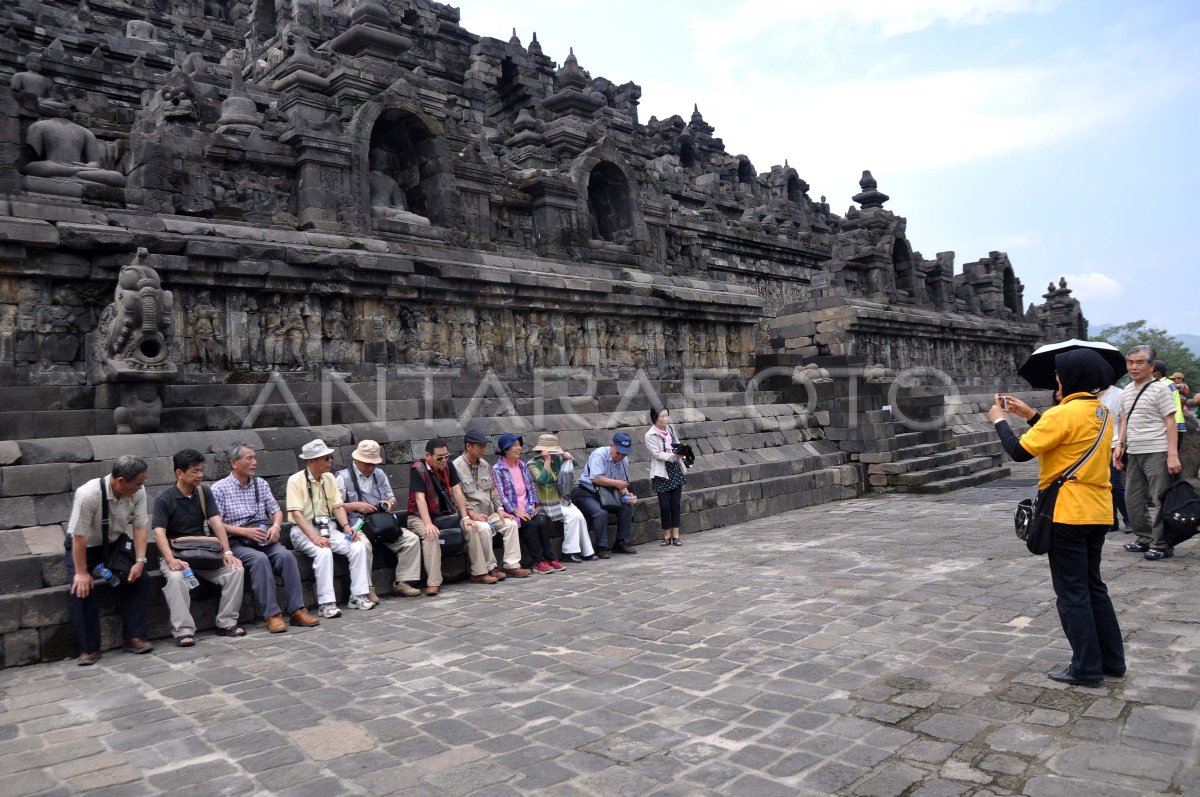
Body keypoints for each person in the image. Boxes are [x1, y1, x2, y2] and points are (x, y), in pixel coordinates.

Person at [990, 349, 1124, 686]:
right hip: (1097, 510)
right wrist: (1031, 414)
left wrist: (999, 420)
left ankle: (1086, 668)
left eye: (1059, 375)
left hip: (1067, 512)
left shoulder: (1061, 413)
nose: (1057, 380)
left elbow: (1019, 451)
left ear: (1072, 378)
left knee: (1072, 592)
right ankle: (1112, 661)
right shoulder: (1101, 412)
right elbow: (1068, 440)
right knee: (1094, 587)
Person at [212, 442, 319, 633]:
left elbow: (276, 511)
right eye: (249, 458)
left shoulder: (260, 484)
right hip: (236, 541)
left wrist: (276, 526)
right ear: (234, 463)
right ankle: (273, 615)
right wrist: (244, 532)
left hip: (262, 537)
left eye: (255, 458)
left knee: (286, 556)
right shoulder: (219, 489)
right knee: (259, 560)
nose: (254, 462)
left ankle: (297, 610)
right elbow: (216, 524)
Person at [64, 456, 154, 665]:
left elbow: (140, 526)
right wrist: (81, 572)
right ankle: (89, 648)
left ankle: (133, 637)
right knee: (81, 589)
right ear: (121, 481)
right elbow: (79, 536)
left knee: (140, 578)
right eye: (138, 483)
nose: (141, 487)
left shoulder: (138, 492)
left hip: (115, 544)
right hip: (84, 546)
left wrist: (140, 560)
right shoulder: (88, 494)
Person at [152, 449, 246, 647]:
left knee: (235, 570)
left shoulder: (204, 492)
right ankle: (183, 631)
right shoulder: (164, 498)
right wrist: (170, 559)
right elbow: (159, 532)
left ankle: (226, 622)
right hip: (176, 555)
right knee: (176, 579)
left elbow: (216, 523)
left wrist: (227, 552)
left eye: (201, 470)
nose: (200, 475)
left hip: (203, 553)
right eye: (195, 471)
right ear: (179, 473)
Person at [286, 439, 375, 616]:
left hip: (328, 528)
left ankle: (358, 596)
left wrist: (347, 527)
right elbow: (296, 514)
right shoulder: (295, 480)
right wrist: (315, 538)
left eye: (330, 457)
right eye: (326, 458)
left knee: (357, 546)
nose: (330, 461)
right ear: (311, 461)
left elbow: (337, 506)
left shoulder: (329, 478)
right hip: (303, 531)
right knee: (323, 552)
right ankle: (326, 604)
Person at [1115, 346, 1181, 560]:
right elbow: (1125, 420)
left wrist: (1172, 454)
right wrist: (1120, 444)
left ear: (1152, 366)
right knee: (1132, 498)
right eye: (1130, 362)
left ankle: (1162, 544)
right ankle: (1145, 537)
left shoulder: (1161, 389)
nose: (1133, 367)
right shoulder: (1127, 390)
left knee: (1159, 498)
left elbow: (1170, 422)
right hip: (1134, 451)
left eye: (1139, 362)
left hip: (1157, 450)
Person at [337, 440, 422, 600]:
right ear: (356, 460)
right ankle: (368, 587)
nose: (370, 468)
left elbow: (391, 497)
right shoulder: (343, 477)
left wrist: (388, 503)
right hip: (357, 524)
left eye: (373, 464)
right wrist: (355, 506)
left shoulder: (380, 474)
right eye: (367, 464)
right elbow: (335, 506)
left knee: (411, 540)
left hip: (381, 522)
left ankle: (403, 582)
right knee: (363, 545)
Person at [453, 429, 529, 579]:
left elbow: (493, 491)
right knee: (484, 528)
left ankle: (511, 565)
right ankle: (491, 568)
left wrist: (500, 509)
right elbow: (457, 496)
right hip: (470, 515)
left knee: (511, 523)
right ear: (468, 446)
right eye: (480, 446)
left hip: (488, 512)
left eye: (484, 446)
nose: (483, 449)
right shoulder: (456, 467)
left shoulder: (485, 465)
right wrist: (471, 514)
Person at [406, 438, 477, 594]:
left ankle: (480, 572)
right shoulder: (418, 470)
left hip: (445, 516)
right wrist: (427, 524)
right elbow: (420, 499)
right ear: (428, 456)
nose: (444, 461)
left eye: (446, 456)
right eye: (439, 458)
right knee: (431, 536)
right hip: (419, 516)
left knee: (473, 528)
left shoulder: (449, 466)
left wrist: (465, 517)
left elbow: (457, 491)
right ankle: (433, 582)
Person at [493, 434, 563, 574]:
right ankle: (537, 562)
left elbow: (530, 487)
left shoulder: (522, 465)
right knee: (530, 525)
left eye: (519, 445)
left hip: (527, 507)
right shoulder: (498, 469)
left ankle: (550, 558)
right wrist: (516, 511)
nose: (519, 448)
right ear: (505, 449)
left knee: (541, 522)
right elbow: (501, 494)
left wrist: (532, 505)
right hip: (513, 510)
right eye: (515, 445)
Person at [528, 434, 595, 563]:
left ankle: (586, 551)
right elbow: (541, 480)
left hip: (561, 498)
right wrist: (547, 461)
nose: (553, 453)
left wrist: (569, 457)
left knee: (580, 516)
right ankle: (569, 552)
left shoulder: (557, 459)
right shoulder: (532, 463)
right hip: (546, 501)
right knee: (572, 517)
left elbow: (573, 465)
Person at [572, 432, 639, 558]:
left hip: (607, 494)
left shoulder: (623, 461)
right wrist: (617, 484)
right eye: (618, 453)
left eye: (624, 454)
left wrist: (627, 495)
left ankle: (621, 542)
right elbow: (596, 478)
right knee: (600, 513)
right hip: (587, 493)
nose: (620, 456)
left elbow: (621, 484)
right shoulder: (599, 454)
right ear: (612, 446)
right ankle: (601, 547)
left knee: (626, 506)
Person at [645, 407, 688, 546]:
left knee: (675, 504)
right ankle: (666, 535)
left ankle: (676, 535)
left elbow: (676, 444)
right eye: (662, 416)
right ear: (655, 418)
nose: (665, 419)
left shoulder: (670, 429)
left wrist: (683, 453)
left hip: (675, 469)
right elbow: (657, 454)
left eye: (666, 415)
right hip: (661, 472)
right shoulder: (650, 435)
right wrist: (674, 456)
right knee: (664, 506)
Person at [1098, 385, 1130, 531]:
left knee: (1114, 482)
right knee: (1103, 483)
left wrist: (1121, 443)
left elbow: (1124, 420)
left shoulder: (1119, 394)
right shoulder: (1089, 394)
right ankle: (1111, 520)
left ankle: (1129, 518)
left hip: (1114, 443)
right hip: (1097, 445)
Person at [1154, 360, 1187, 433]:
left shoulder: (1162, 385)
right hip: (1177, 421)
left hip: (1170, 422)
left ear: (1157, 373)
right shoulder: (1169, 383)